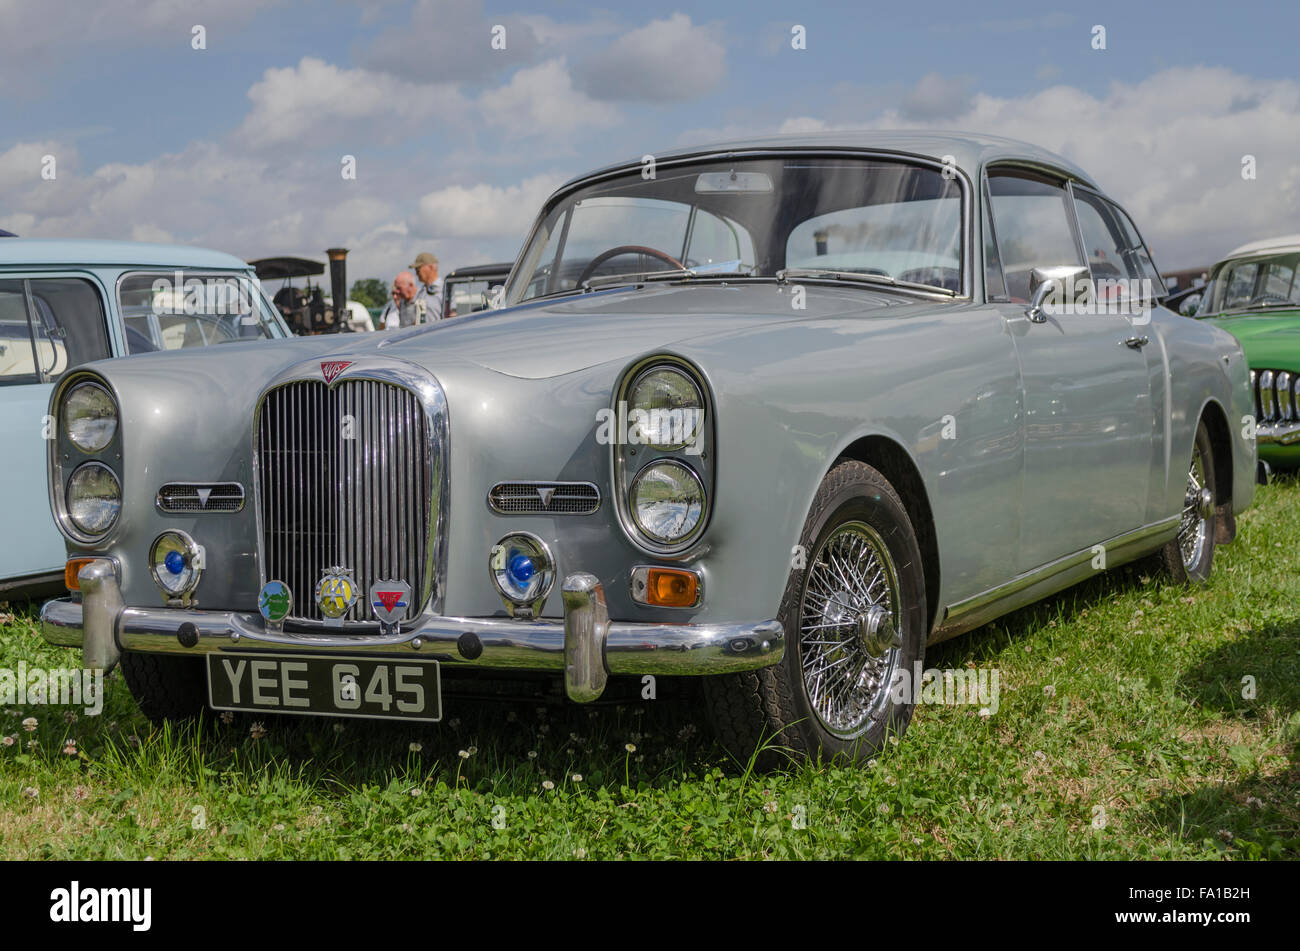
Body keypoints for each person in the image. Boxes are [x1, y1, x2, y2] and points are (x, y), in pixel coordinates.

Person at [411, 252, 444, 319]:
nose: (417, 273)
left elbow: (451, 315)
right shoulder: (420, 291)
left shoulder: (444, 289)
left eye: (418, 269)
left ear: (431, 267)